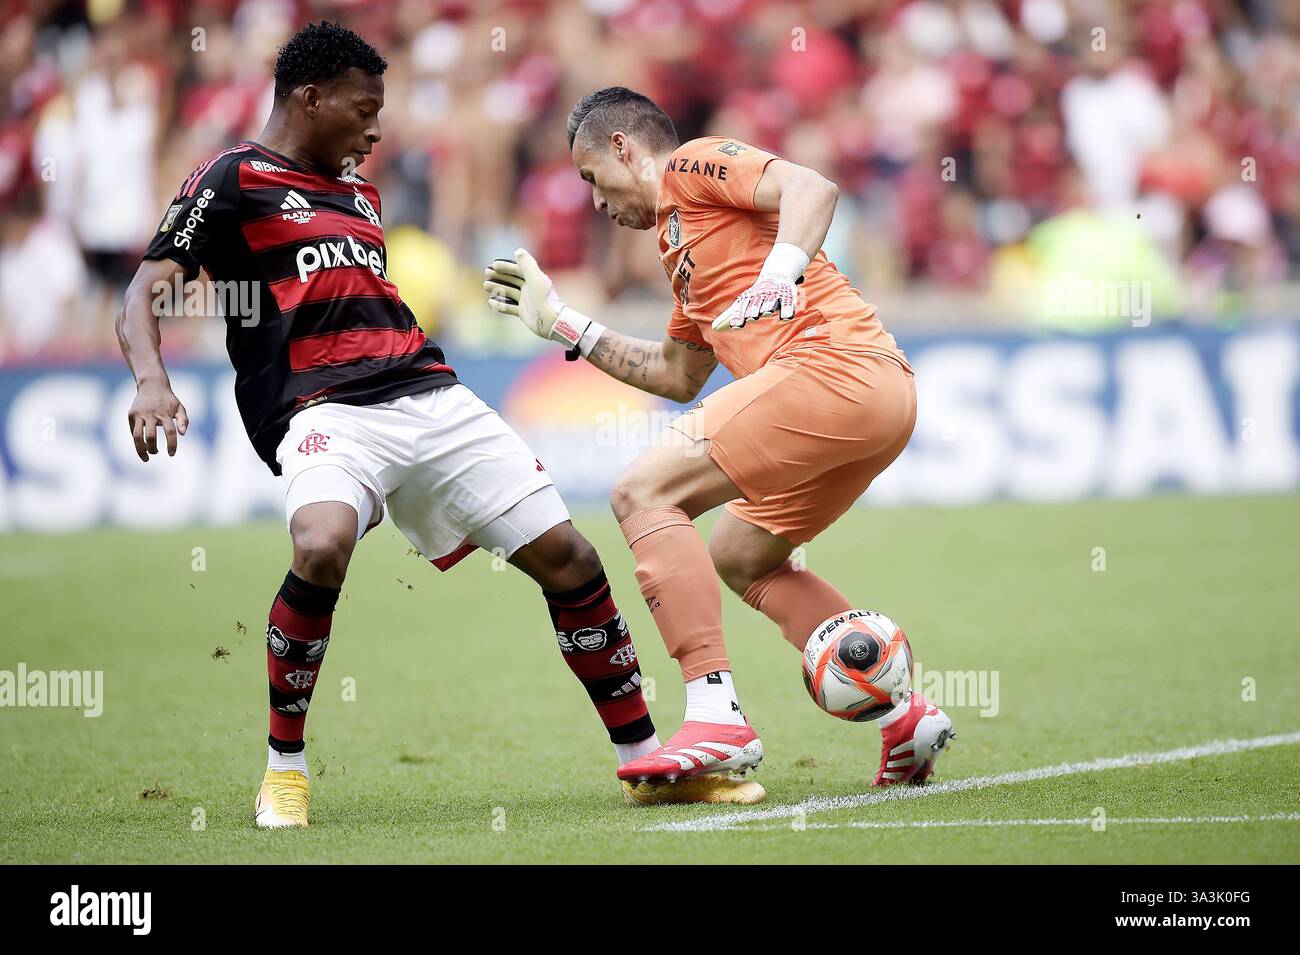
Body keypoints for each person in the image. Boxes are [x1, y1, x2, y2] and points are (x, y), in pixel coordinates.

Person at [117, 29, 740, 829]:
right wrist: (150, 379)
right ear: (310, 97)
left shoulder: (357, 191)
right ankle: (285, 771)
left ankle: (642, 762)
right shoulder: (233, 177)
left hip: (430, 393)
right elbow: (145, 289)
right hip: (324, 410)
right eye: (365, 108)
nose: (377, 130)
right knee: (320, 544)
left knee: (572, 557)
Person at [485, 87, 954, 798]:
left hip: (834, 369)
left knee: (643, 491)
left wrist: (779, 271)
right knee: (742, 554)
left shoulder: (693, 164)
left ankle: (716, 716)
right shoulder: (679, 250)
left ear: (623, 147)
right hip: (875, 397)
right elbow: (676, 375)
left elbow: (811, 186)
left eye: (590, 178)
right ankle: (901, 712)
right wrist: (562, 324)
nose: (594, 201)